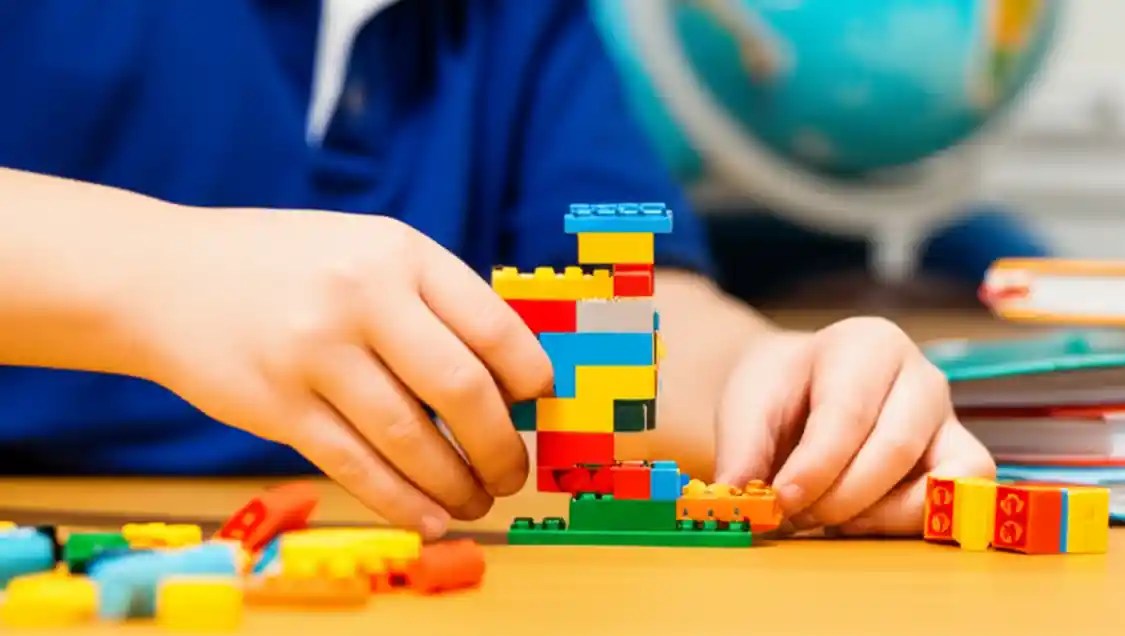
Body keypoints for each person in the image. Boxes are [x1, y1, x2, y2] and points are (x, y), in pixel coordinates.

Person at [0, 0, 993, 539]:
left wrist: (768, 386)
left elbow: (619, 316)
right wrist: (159, 272)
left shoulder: (521, 21)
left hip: (371, 569)